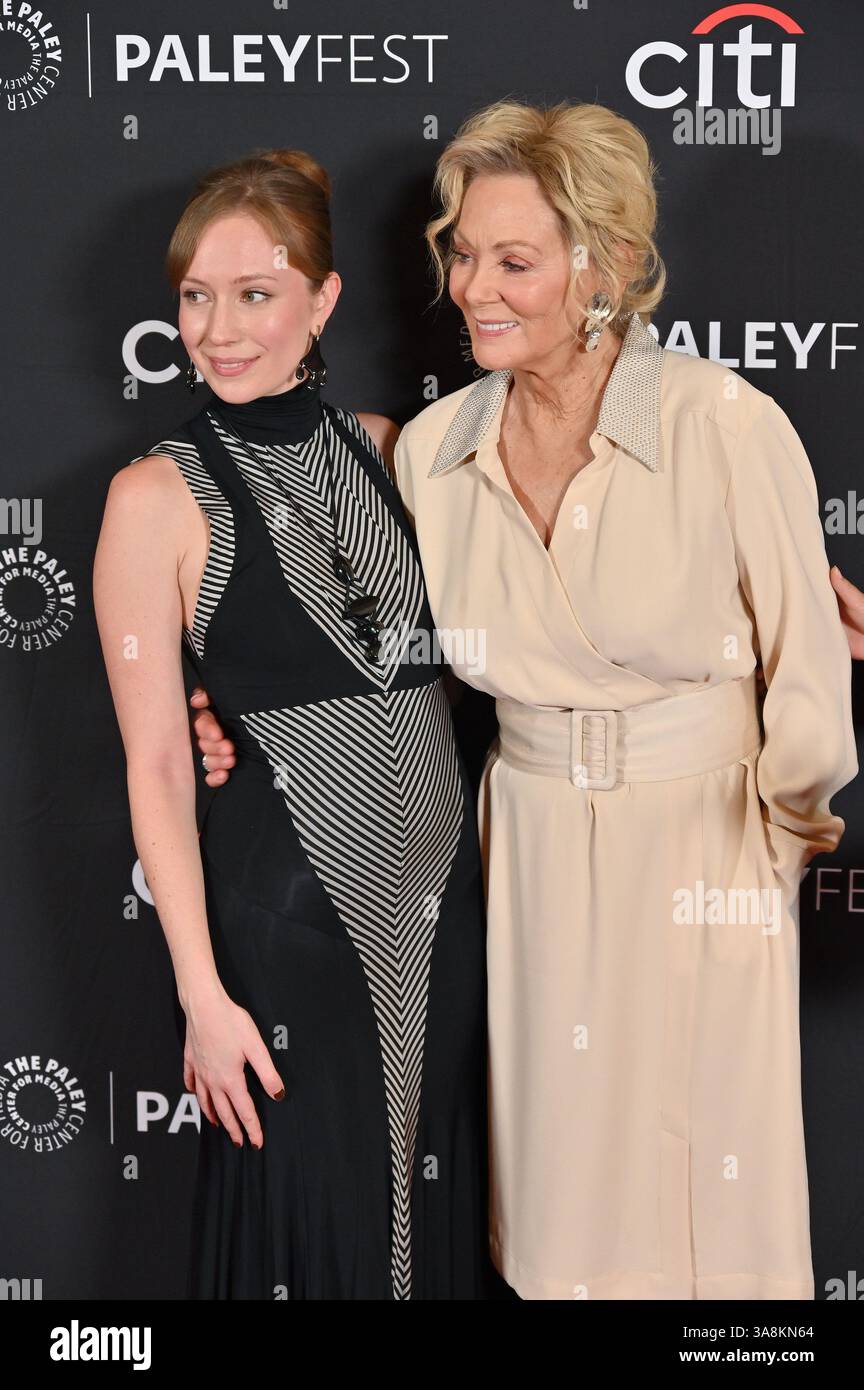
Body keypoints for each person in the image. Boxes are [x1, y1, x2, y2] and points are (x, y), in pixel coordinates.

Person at [193, 102, 858, 1301]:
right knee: (562, 1211)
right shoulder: (434, 452)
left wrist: (771, 847)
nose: (474, 288)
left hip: (703, 838)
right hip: (530, 849)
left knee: (715, 1197)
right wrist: (221, 710)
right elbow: (372, 660)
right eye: (461, 253)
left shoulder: (721, 422)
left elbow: (807, 678)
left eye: (515, 260)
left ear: (598, 267)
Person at [93, 148, 498, 1300]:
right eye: (195, 296)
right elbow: (162, 762)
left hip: (446, 917)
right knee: (318, 1240)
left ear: (322, 301)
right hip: (289, 941)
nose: (219, 329)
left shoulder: (393, 451)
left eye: (255, 294)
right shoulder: (151, 499)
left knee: (436, 1225)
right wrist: (204, 999)